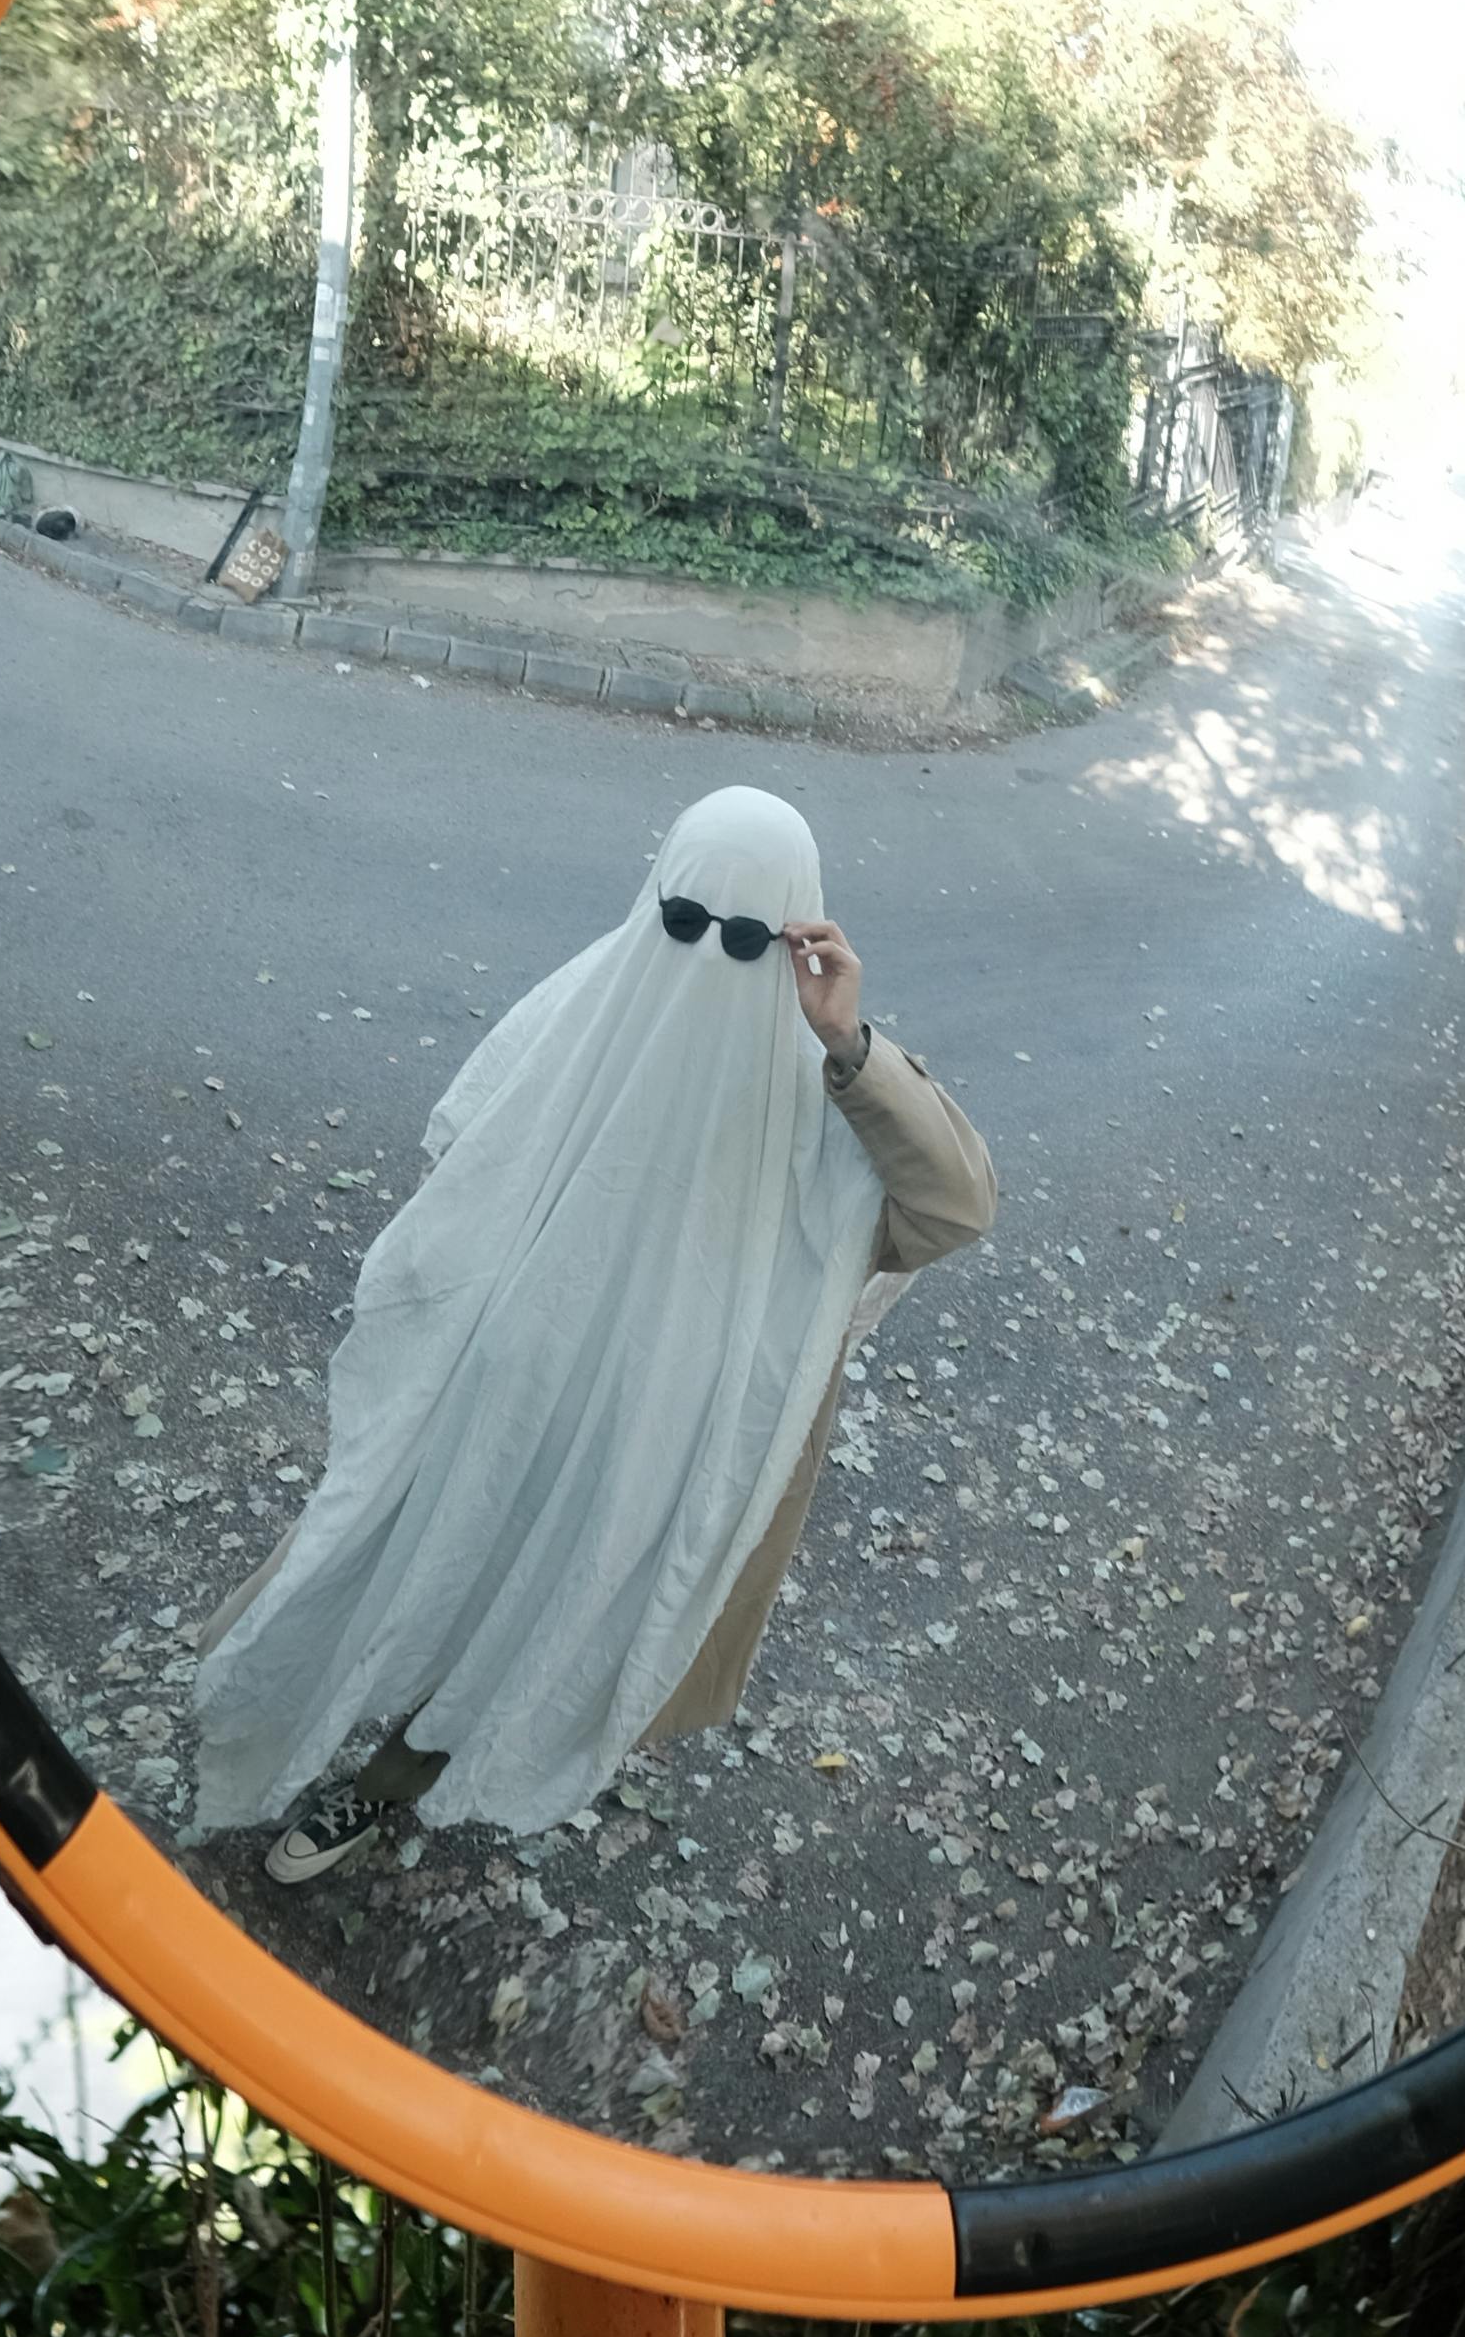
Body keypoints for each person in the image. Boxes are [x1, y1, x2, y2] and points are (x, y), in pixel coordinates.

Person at [192, 782, 994, 1882]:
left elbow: (951, 1211)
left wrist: (846, 1041)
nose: (705, 954)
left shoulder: (833, 1085)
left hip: (661, 1446)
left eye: (747, 936)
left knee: (543, 1619)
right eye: (682, 921)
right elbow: (464, 1157)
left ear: (802, 932)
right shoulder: (588, 1005)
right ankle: (313, 1708)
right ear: (652, 894)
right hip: (500, 1396)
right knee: (423, 1569)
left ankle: (387, 1784)